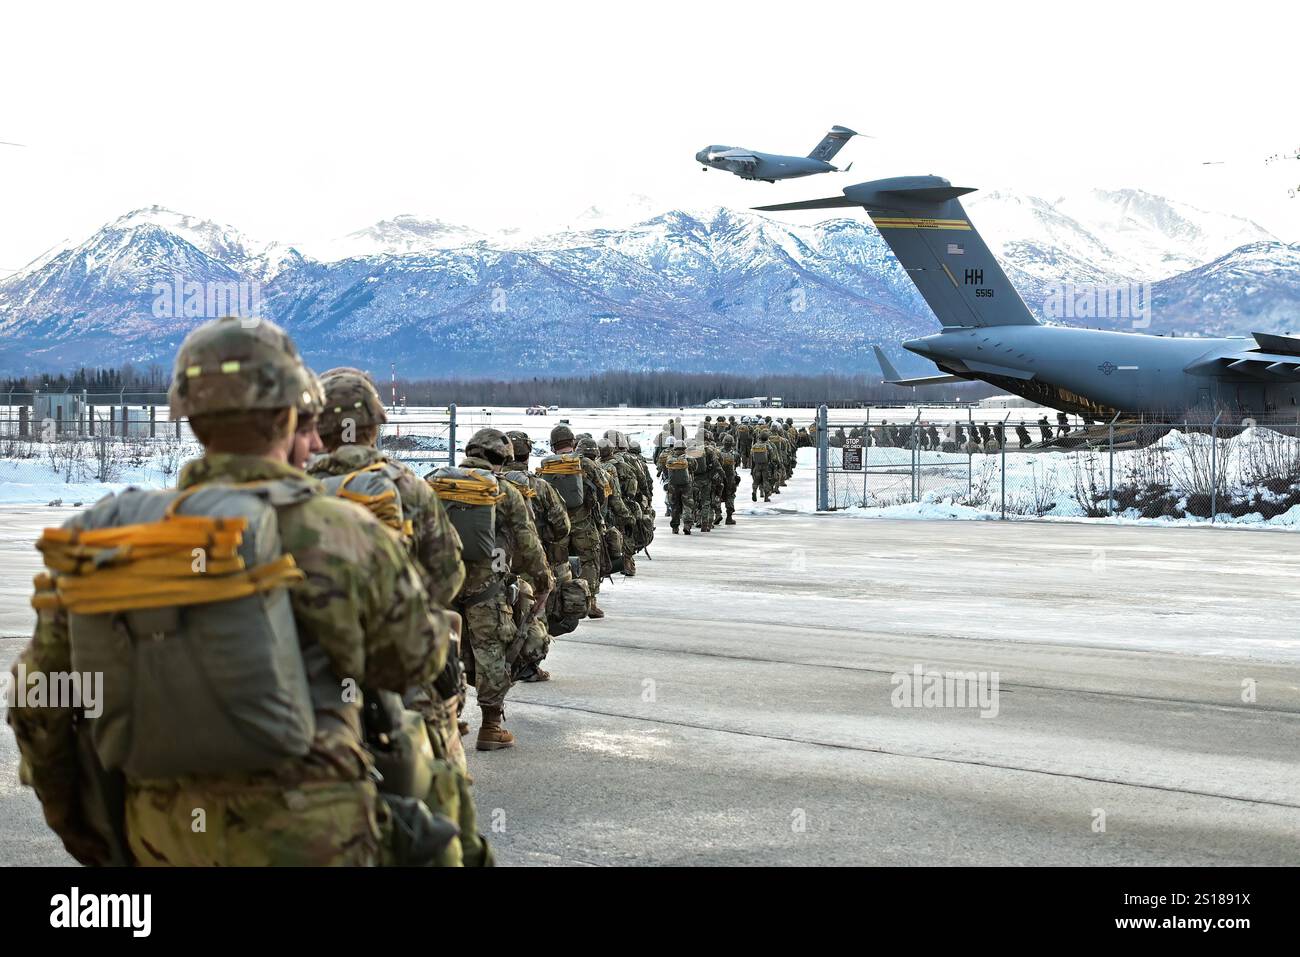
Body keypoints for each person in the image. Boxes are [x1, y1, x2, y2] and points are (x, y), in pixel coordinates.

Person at [9, 316, 454, 866]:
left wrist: (85, 829)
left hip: (158, 839)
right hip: (316, 837)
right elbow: (414, 661)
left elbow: (43, 704)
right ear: (290, 413)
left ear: (191, 416)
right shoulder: (341, 531)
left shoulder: (114, 538)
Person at [435, 428, 552, 752]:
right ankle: (491, 726)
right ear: (501, 459)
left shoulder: (436, 482)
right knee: (491, 652)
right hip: (488, 588)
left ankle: (442, 722)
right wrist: (543, 581)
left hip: (440, 586)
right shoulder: (505, 491)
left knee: (440, 651)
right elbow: (528, 542)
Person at [502, 430, 570, 683]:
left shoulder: (487, 484)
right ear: (527, 454)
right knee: (533, 612)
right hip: (531, 560)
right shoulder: (540, 486)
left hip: (492, 560)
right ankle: (529, 665)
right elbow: (562, 526)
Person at [549, 423, 610, 618]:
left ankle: (558, 603)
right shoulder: (587, 463)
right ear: (573, 442)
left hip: (559, 525)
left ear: (553, 445)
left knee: (557, 562)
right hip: (584, 522)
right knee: (590, 561)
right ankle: (590, 604)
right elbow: (604, 489)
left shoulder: (548, 464)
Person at [657, 437, 693, 533]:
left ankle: (675, 527)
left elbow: (662, 468)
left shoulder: (669, 458)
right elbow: (694, 467)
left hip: (672, 485)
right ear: (684, 448)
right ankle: (687, 525)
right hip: (686, 485)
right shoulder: (688, 458)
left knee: (674, 506)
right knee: (687, 505)